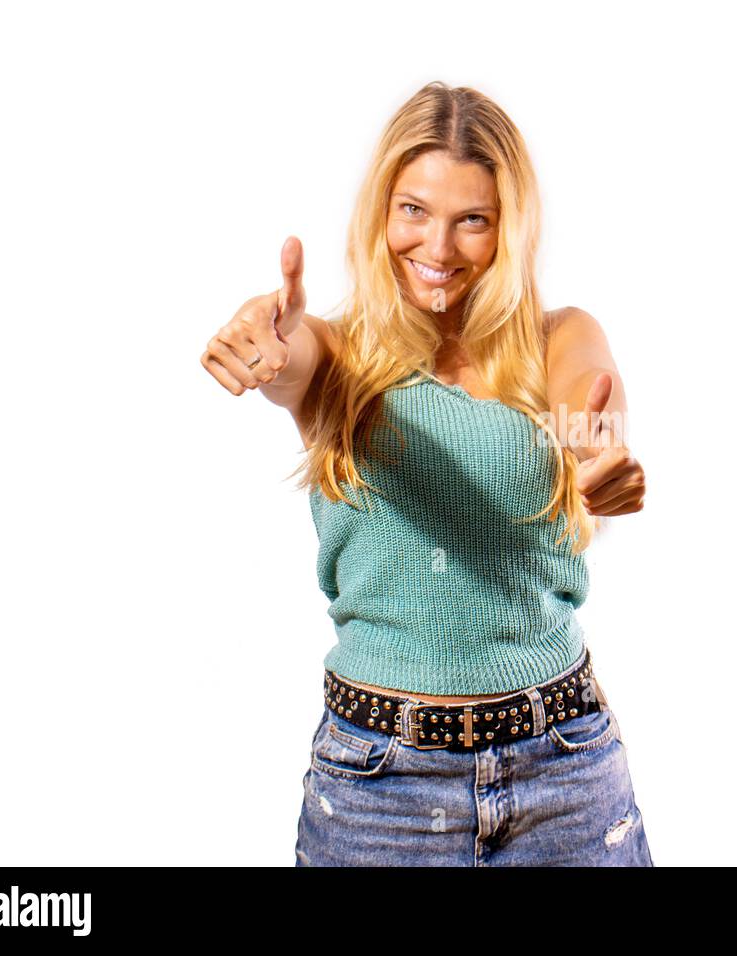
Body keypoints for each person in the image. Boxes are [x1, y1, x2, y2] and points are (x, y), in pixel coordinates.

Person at [199, 81, 653, 866]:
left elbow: (589, 405)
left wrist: (597, 454)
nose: (437, 250)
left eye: (471, 219)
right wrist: (264, 338)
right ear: (381, 212)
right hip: (379, 793)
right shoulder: (337, 359)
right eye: (414, 211)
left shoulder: (559, 338)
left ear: (509, 227)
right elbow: (290, 357)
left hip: (564, 775)